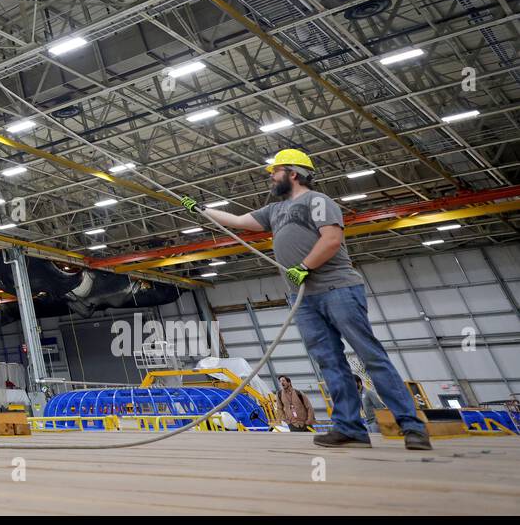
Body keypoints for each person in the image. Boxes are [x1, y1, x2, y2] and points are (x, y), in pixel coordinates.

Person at [180, 149, 431, 450]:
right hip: (304, 299)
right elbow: (238, 220)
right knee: (329, 362)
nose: (271, 178)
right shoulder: (274, 210)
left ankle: (412, 426)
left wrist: (305, 267)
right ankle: (350, 428)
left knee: (370, 356)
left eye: (275, 172)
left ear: (292, 173)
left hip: (338, 289)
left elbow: (331, 239)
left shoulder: (318, 201)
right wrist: (202, 209)